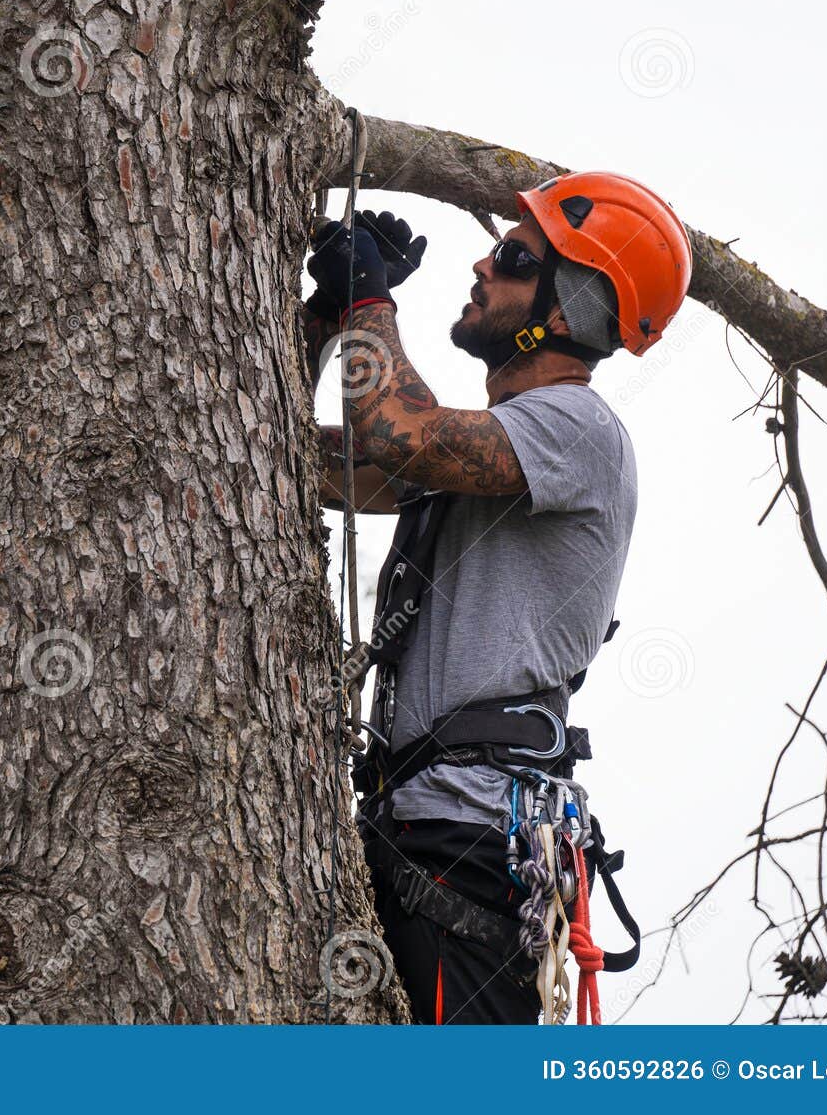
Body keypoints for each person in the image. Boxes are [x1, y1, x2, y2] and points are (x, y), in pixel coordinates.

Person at [303, 172, 692, 1024]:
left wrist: (371, 301)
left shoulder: (579, 431)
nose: (483, 263)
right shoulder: (487, 468)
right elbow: (293, 460)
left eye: (515, 257)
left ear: (574, 307)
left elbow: (399, 431)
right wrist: (326, 320)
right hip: (420, 827)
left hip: (473, 846)